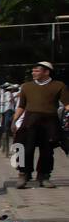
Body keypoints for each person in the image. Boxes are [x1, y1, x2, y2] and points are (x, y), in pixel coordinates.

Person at [13, 60, 68, 189]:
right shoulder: (26, 86)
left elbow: (66, 104)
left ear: (47, 72)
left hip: (49, 121)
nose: (33, 73)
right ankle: (23, 174)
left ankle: (44, 176)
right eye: (33, 71)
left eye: (37, 71)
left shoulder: (59, 85)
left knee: (47, 151)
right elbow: (21, 106)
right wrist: (14, 120)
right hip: (30, 120)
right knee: (25, 148)